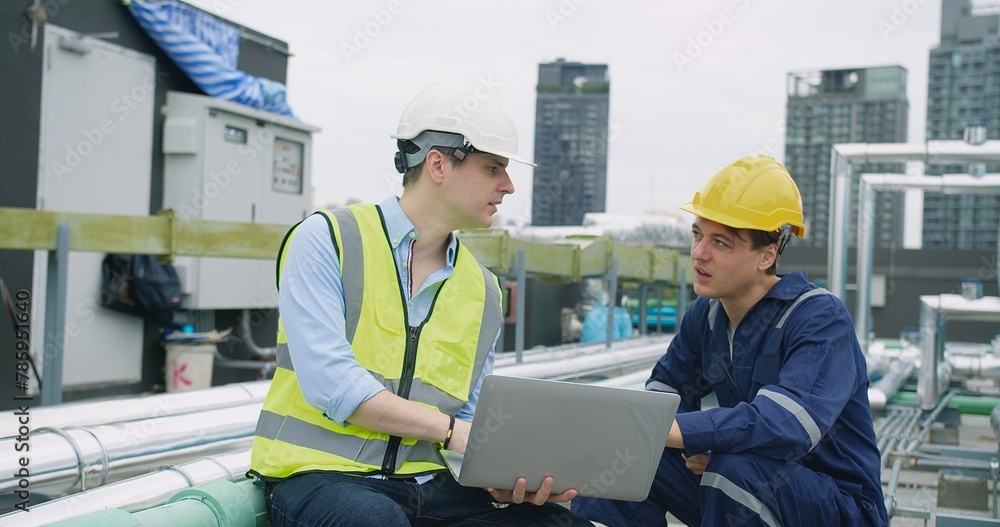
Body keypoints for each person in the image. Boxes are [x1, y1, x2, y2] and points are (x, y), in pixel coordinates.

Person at [248, 79, 594, 527]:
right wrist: (450, 433)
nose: (508, 186)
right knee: (372, 520)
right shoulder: (328, 239)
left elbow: (470, 417)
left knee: (559, 524)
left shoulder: (484, 290)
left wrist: (499, 477)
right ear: (438, 164)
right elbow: (333, 385)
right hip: (324, 480)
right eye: (493, 168)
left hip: (432, 488)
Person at [572, 155, 888, 526]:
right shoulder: (707, 314)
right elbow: (666, 388)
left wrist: (686, 433)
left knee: (732, 466)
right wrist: (654, 428)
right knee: (627, 451)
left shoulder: (819, 319)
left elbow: (787, 425)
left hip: (838, 507)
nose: (699, 253)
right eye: (697, 235)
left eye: (720, 243)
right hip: (746, 483)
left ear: (767, 255)